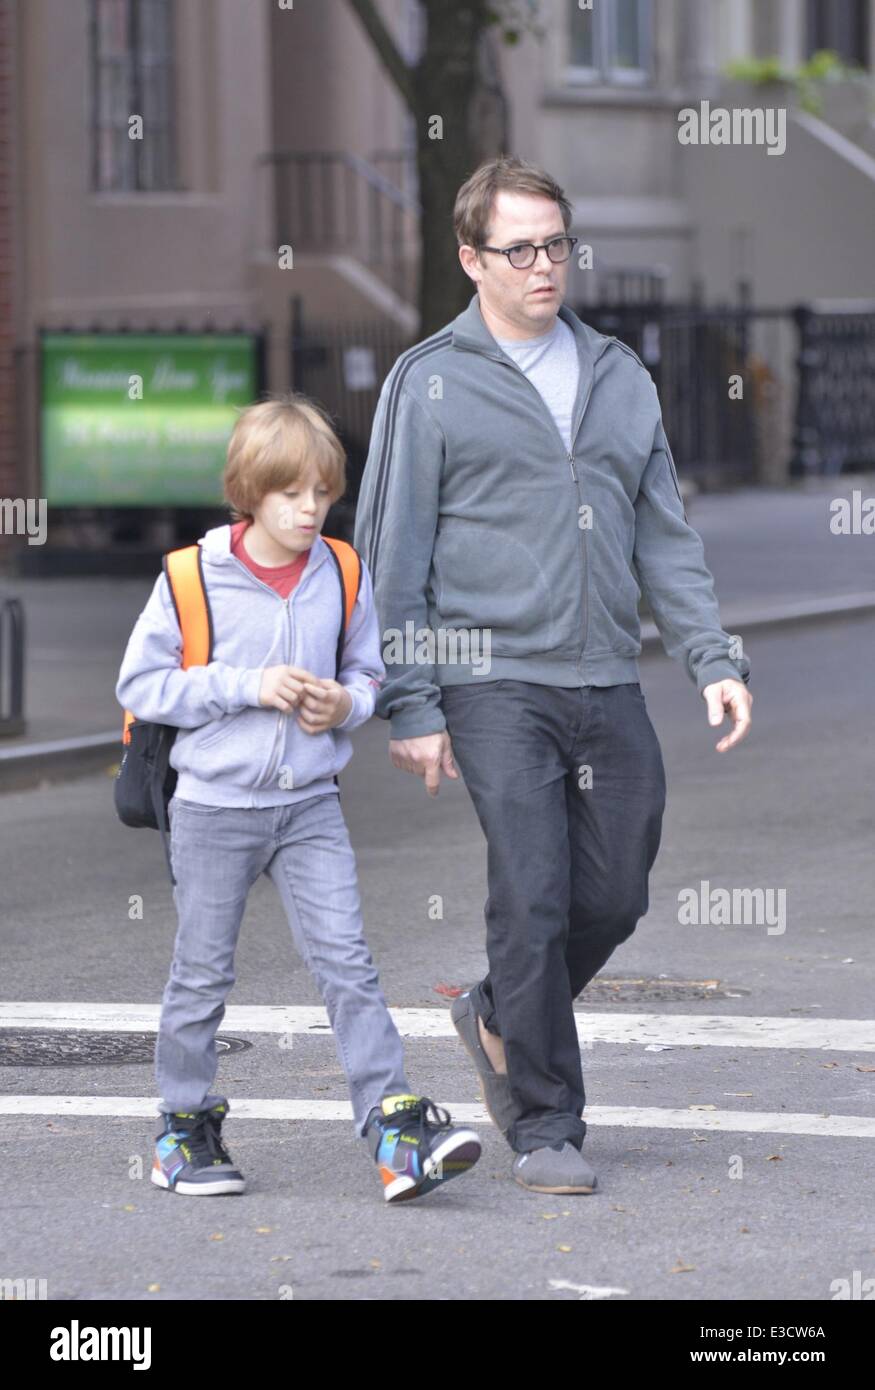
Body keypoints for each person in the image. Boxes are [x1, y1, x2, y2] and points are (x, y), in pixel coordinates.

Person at [353, 156, 753, 1197]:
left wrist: (711, 655)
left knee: (614, 888)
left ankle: (495, 1012)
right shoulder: (429, 379)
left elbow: (662, 532)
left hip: (602, 673)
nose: (544, 265)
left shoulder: (617, 373)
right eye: (519, 248)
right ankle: (545, 1121)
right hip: (488, 678)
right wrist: (411, 699)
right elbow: (392, 552)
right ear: (470, 258)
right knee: (528, 890)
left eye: (556, 245)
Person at [114, 393, 481, 1203]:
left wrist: (342, 707)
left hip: (309, 803)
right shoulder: (188, 576)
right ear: (249, 491)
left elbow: (367, 674)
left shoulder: (343, 570)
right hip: (212, 806)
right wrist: (248, 686)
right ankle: (182, 1129)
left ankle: (395, 1132)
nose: (311, 509)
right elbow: (142, 685)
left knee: (347, 964)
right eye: (292, 494)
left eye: (322, 491)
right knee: (203, 971)